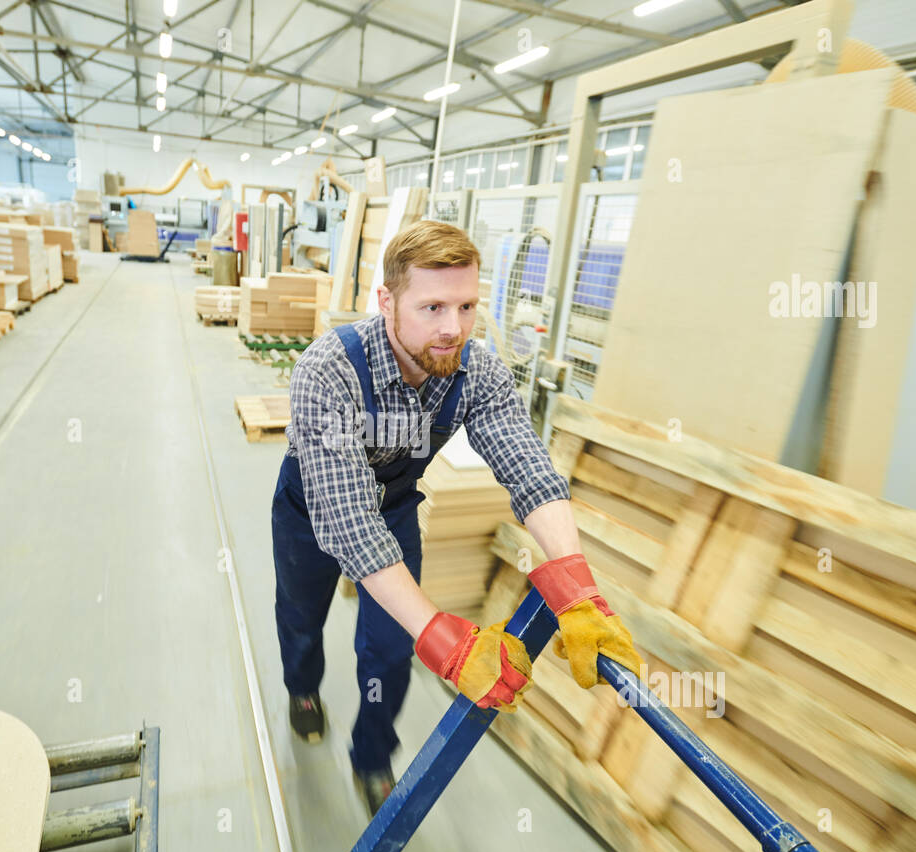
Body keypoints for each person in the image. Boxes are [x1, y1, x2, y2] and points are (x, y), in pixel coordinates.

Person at [271, 219, 644, 816]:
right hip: (311, 511)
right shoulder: (329, 369)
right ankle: (302, 686)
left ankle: (371, 756)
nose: (453, 328)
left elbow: (530, 472)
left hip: (391, 509)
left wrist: (576, 585)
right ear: (386, 301)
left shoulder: (477, 372)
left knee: (392, 649)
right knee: (300, 612)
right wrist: (443, 634)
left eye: (467, 305)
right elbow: (344, 521)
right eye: (433, 307)